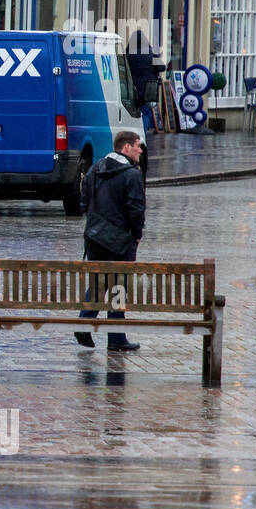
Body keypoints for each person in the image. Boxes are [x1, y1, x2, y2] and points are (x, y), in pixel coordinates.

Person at [75, 130, 147, 352]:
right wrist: (136, 234)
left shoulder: (96, 168)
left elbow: (83, 199)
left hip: (95, 238)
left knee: (98, 282)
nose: (141, 150)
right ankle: (116, 338)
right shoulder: (132, 175)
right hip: (120, 241)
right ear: (126, 148)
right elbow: (136, 209)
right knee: (118, 286)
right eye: (138, 146)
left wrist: (94, 223)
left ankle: (84, 324)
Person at [124, 28, 159, 133]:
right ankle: (142, 135)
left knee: (131, 113)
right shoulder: (150, 54)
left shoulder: (129, 54)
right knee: (146, 113)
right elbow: (162, 67)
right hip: (148, 89)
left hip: (132, 88)